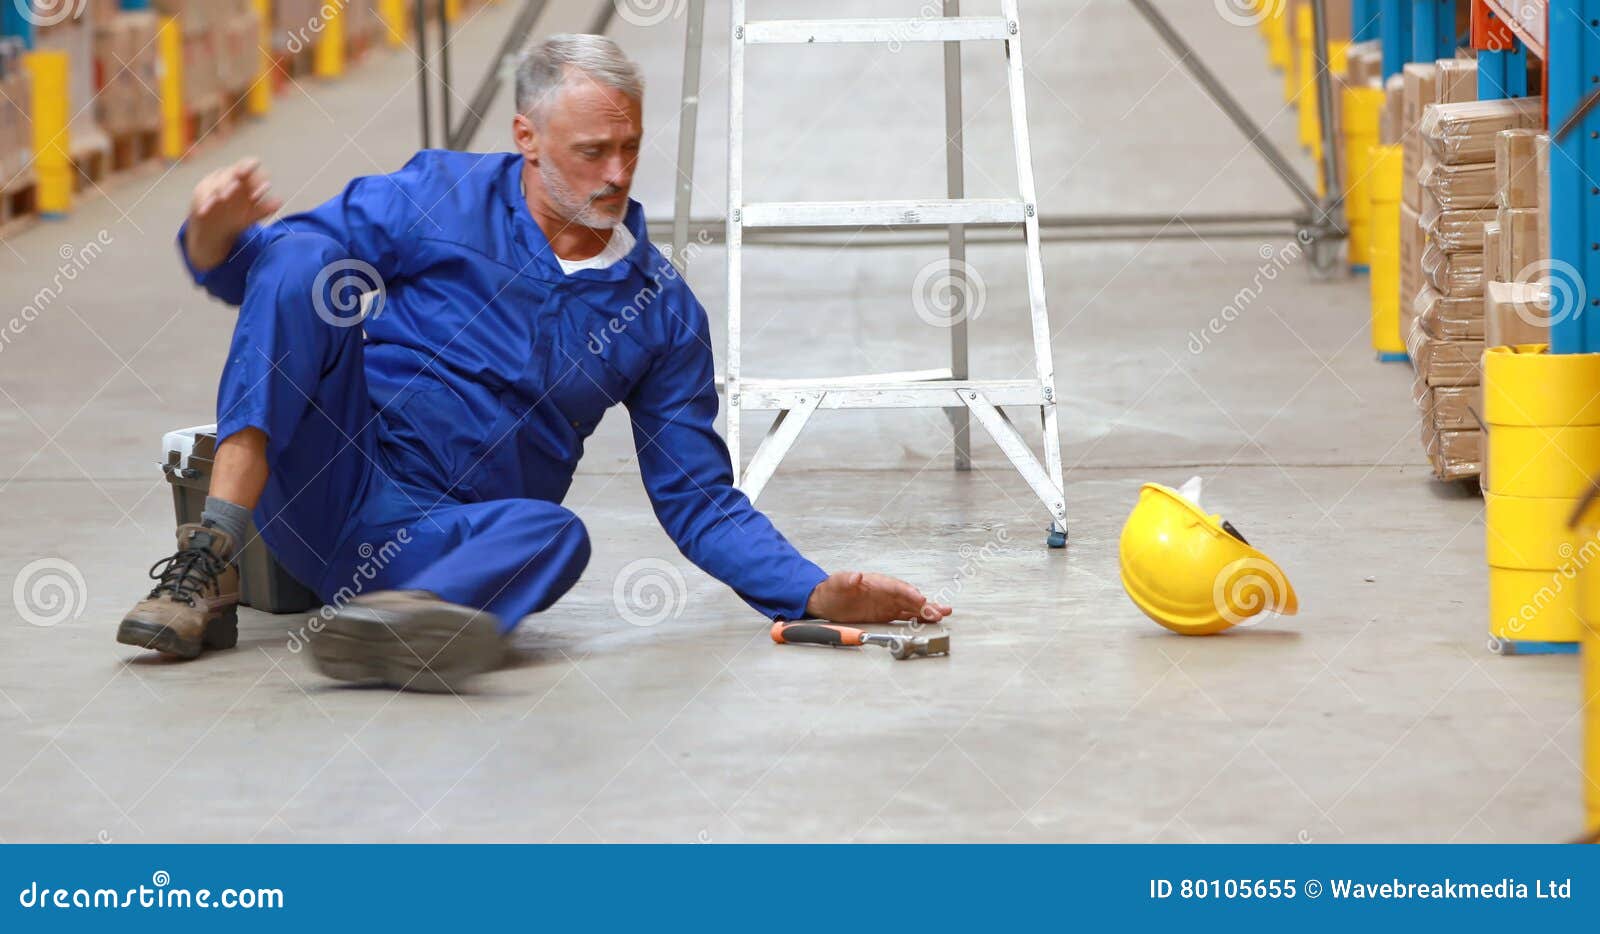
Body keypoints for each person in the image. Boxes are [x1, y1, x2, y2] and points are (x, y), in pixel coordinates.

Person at [117, 34, 953, 692]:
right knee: (302, 256)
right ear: (526, 137)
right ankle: (206, 556)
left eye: (629, 146)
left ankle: (396, 621)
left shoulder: (659, 311)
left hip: (452, 538)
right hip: (332, 475)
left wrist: (810, 591)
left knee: (555, 533)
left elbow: (697, 498)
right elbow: (264, 277)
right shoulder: (438, 197)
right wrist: (211, 232)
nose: (618, 173)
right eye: (592, 150)